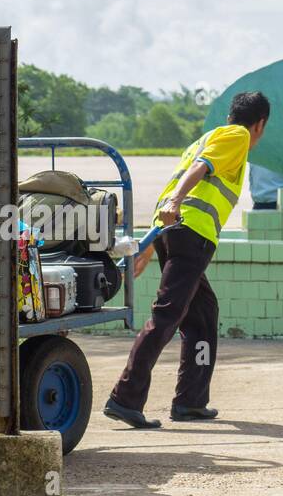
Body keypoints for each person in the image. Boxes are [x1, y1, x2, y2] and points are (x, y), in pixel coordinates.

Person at [103, 91, 270, 428]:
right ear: (260, 125)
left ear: (229, 116)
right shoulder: (237, 136)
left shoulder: (207, 137)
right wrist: (177, 202)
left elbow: (174, 185)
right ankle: (125, 397)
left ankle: (191, 401)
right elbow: (198, 171)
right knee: (167, 315)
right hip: (191, 234)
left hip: (174, 232)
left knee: (203, 316)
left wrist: (151, 243)